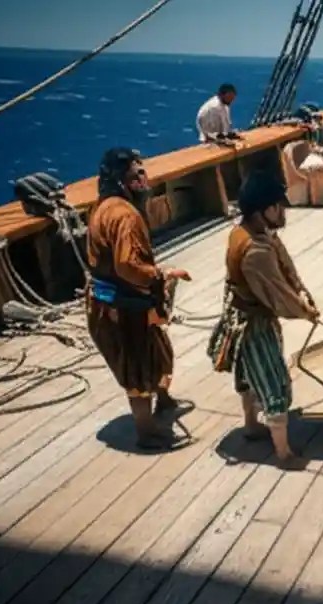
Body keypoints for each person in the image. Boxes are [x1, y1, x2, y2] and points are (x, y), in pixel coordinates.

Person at [86, 148, 191, 450]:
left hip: (108, 300)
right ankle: (145, 430)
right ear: (121, 180)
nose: (143, 180)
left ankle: (165, 398)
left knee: (159, 349)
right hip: (125, 306)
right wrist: (161, 275)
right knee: (138, 363)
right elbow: (127, 266)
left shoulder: (102, 207)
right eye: (136, 175)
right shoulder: (125, 215)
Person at [214, 172, 319, 469]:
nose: (283, 212)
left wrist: (301, 290)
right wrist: (305, 310)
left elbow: (284, 264)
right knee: (274, 381)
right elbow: (278, 294)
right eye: (278, 207)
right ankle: (283, 453)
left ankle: (250, 425)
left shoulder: (248, 231)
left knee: (247, 375)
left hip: (242, 316)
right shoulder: (255, 251)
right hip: (254, 326)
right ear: (264, 210)